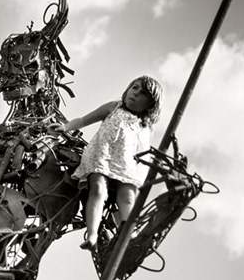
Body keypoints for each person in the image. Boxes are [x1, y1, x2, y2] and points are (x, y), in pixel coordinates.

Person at [53, 75, 162, 251]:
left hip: (126, 165)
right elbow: (83, 120)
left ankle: (129, 235)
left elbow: (143, 150)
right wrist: (66, 127)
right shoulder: (114, 107)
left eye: (143, 94)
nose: (135, 94)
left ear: (150, 105)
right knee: (98, 189)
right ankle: (92, 234)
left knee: (127, 197)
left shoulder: (146, 125)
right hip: (102, 156)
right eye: (134, 88)